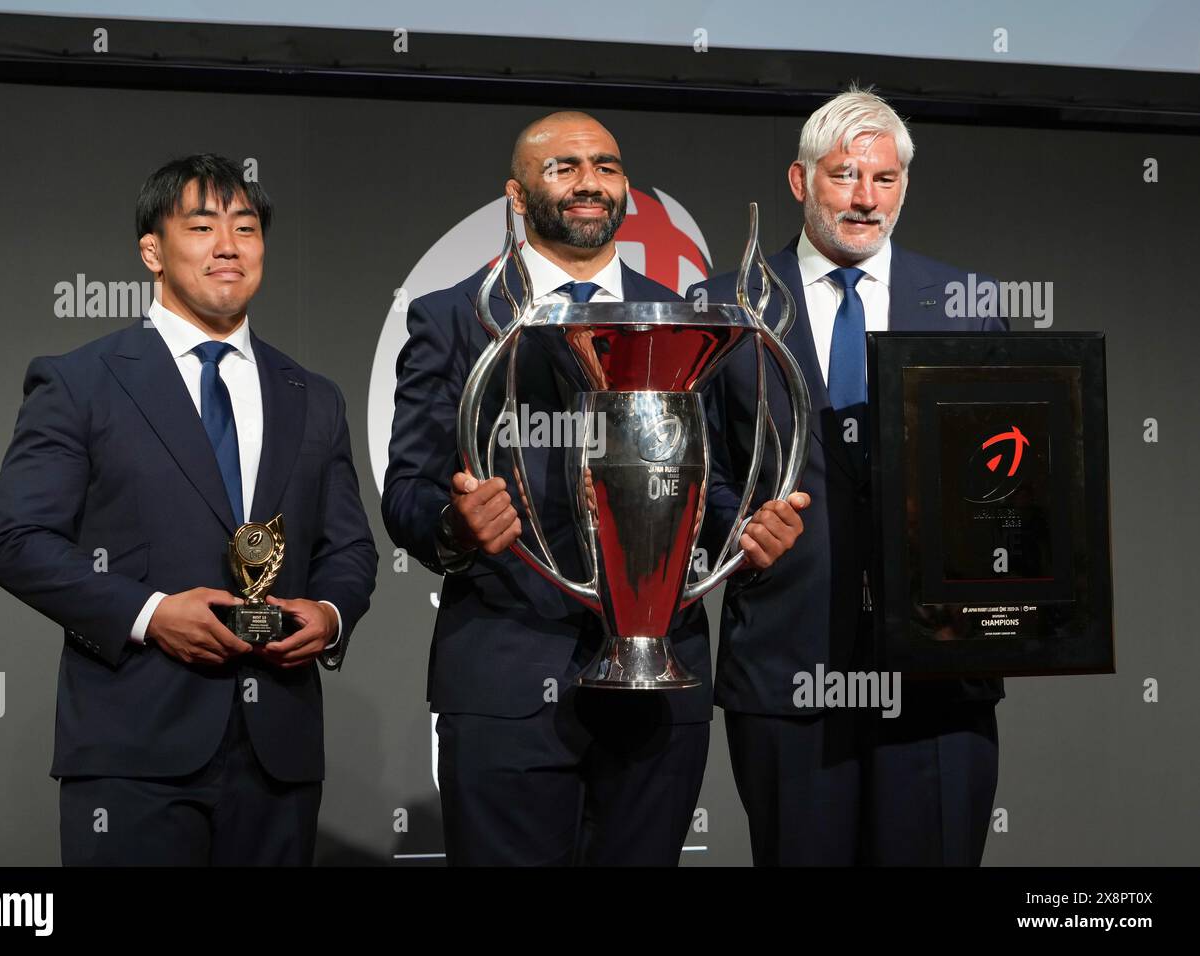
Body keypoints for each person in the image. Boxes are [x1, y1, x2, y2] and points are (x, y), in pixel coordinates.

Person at [383, 110, 808, 865]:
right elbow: (408, 494)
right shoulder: (452, 317)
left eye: (606, 167)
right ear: (518, 195)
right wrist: (457, 526)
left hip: (661, 676)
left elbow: (705, 488)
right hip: (506, 676)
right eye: (564, 167)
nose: (589, 183)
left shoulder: (690, 317)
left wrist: (743, 535)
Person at [0, 154, 378, 865]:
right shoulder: (80, 381)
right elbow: (18, 541)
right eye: (201, 226)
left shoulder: (313, 395)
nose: (228, 245)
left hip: (280, 754)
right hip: (134, 751)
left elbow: (350, 549)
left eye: (246, 227)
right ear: (152, 252)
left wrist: (329, 614)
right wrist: (150, 615)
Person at [688, 87, 1005, 866]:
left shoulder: (970, 306)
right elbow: (692, 465)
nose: (866, 200)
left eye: (885, 180)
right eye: (844, 176)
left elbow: (1004, 478)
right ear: (801, 182)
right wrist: (741, 526)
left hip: (938, 674)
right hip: (787, 668)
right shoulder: (722, 306)